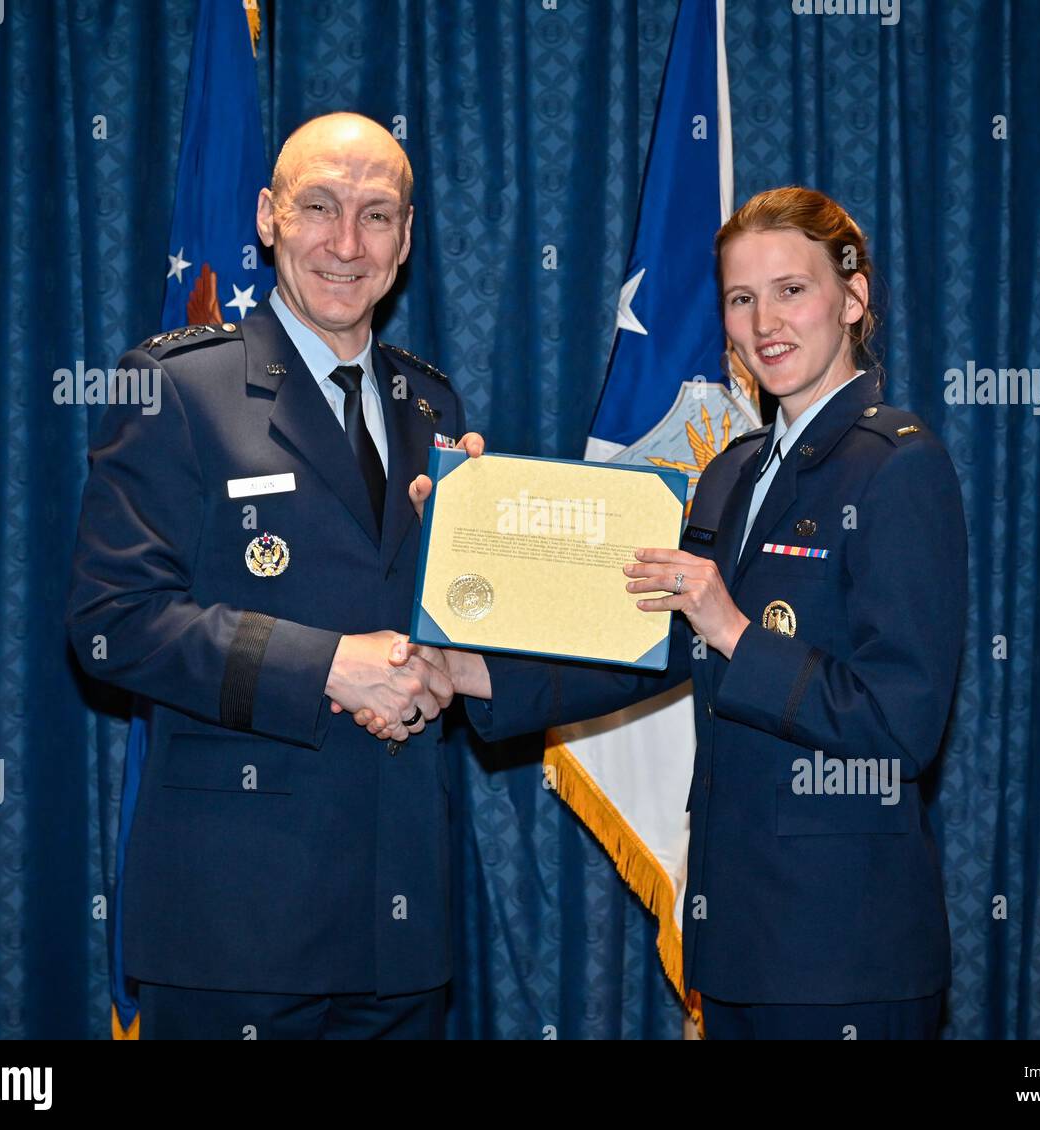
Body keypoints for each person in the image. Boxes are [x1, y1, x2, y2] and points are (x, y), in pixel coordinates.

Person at [369, 186, 968, 1039]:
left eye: (792, 289)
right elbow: (643, 642)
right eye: (741, 297)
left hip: (845, 954)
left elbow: (903, 724)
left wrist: (735, 632)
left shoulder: (898, 466)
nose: (765, 322)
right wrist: (470, 664)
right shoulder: (732, 471)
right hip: (735, 943)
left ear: (853, 297)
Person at [67, 112, 483, 1039]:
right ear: (268, 217)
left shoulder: (433, 406)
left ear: (406, 238)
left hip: (399, 920)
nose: (347, 243)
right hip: (237, 924)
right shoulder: (178, 387)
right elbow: (112, 622)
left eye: (377, 215)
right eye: (319, 207)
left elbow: (444, 627)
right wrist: (328, 664)